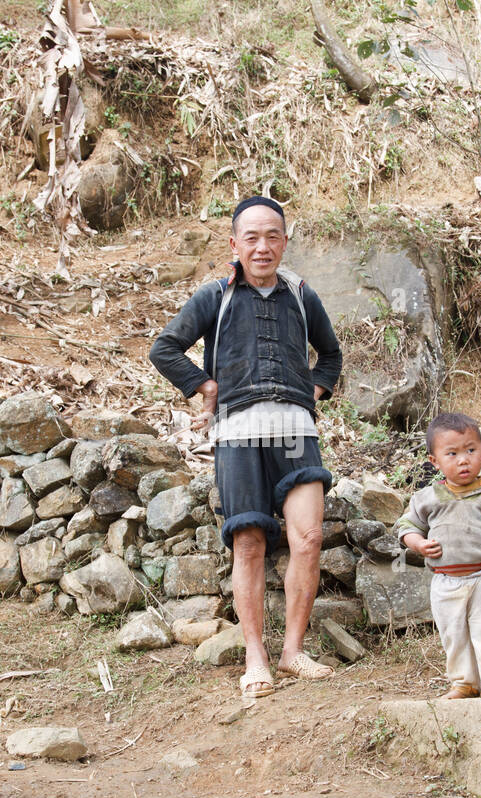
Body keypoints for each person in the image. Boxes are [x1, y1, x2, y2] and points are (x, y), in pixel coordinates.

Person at [149, 196, 342, 699]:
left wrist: (314, 388)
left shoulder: (301, 294)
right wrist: (202, 386)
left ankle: (293, 651)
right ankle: (256, 656)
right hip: (236, 433)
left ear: (284, 241)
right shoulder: (215, 296)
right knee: (250, 542)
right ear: (234, 244)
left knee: (309, 537)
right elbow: (164, 348)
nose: (262, 246)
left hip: (297, 431)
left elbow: (331, 354)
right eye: (251, 237)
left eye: (272, 236)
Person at [394, 412, 481, 700]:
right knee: (454, 635)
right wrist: (418, 544)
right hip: (445, 582)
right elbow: (406, 526)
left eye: (471, 450)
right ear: (435, 461)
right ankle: (464, 682)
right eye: (452, 453)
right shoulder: (427, 498)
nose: (463, 459)